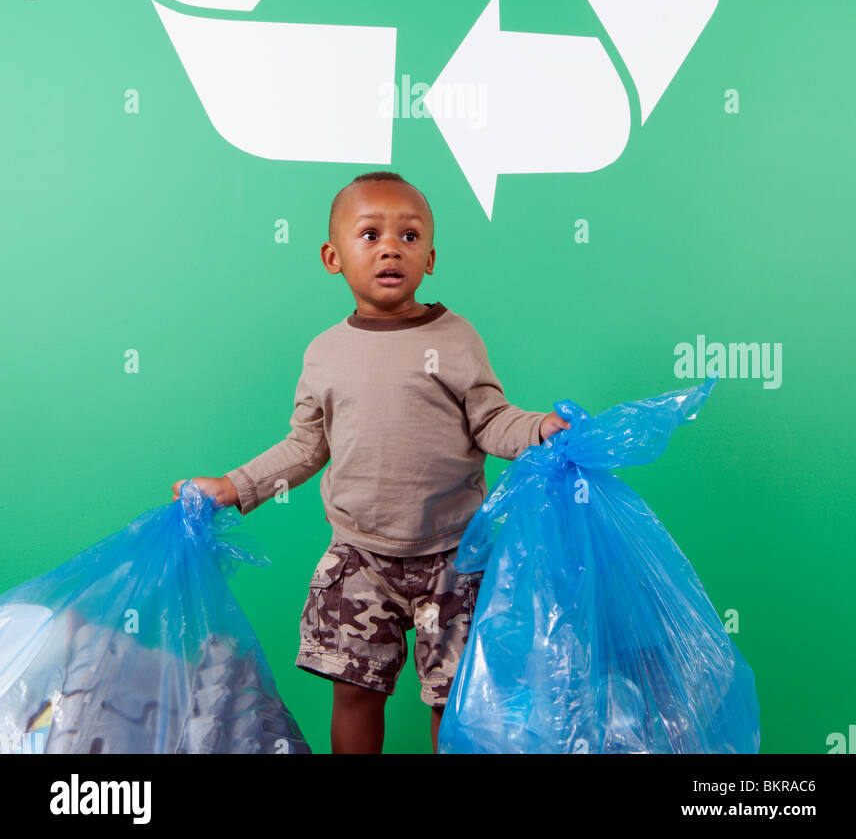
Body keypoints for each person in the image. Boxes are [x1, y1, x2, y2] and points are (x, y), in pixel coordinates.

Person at [172, 170, 569, 753]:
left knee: (454, 695)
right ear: (334, 257)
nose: (390, 247)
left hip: (454, 555)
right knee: (355, 690)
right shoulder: (327, 353)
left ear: (429, 259)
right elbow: (305, 447)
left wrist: (537, 429)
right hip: (359, 556)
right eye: (370, 234)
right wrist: (232, 487)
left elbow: (490, 420)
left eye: (409, 237)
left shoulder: (456, 339)